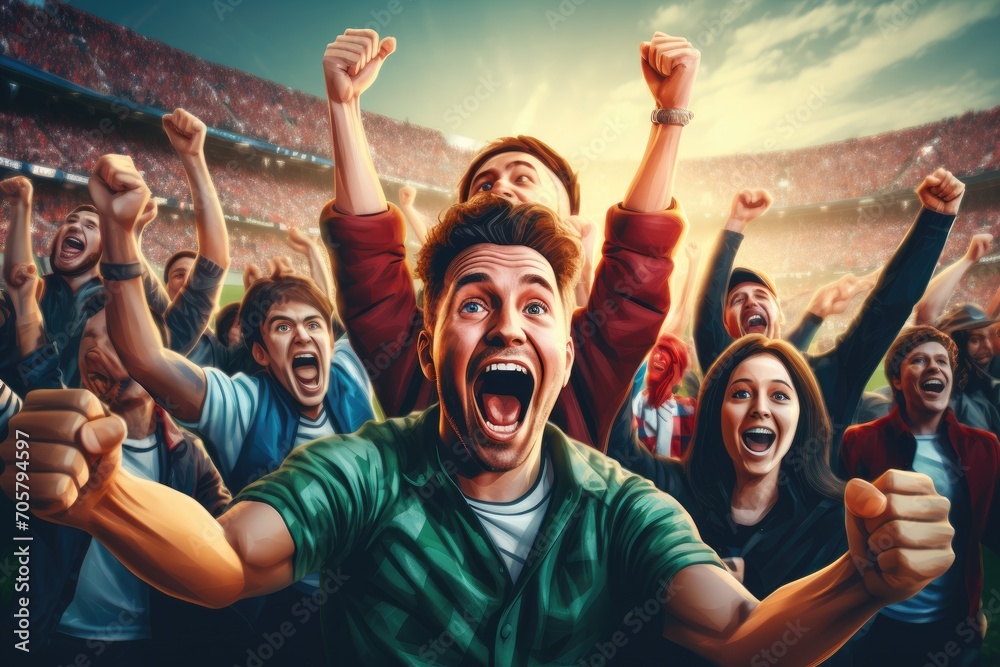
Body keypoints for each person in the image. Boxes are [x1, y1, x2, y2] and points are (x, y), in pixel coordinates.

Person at [1, 193, 958, 666]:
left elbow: (746, 638)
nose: (507, 325)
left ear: (567, 353)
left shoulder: (622, 507)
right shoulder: (367, 468)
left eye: (537, 304)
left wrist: (859, 581)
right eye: (474, 302)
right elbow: (224, 558)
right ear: (430, 339)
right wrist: (107, 498)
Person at [321, 28, 701, 452]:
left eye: (523, 178)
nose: (500, 187)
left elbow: (639, 257)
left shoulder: (588, 357)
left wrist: (670, 117)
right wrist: (344, 108)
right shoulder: (422, 352)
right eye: (484, 185)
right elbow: (368, 266)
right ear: (428, 354)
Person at [695, 173, 965, 454]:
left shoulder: (830, 374)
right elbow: (707, 314)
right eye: (737, 300)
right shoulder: (723, 370)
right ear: (725, 323)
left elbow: (887, 309)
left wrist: (935, 221)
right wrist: (735, 223)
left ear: (780, 315)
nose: (751, 302)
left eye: (761, 296)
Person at [841, 325, 1000, 666]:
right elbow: (838, 532)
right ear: (897, 380)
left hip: (953, 626)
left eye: (942, 361)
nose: (934, 368)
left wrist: (974, 609)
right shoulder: (860, 441)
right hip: (877, 621)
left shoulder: (984, 448)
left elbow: (990, 529)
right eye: (919, 360)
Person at [935, 303, 1000, 435]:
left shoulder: (993, 368)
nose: (988, 346)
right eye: (975, 340)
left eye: (988, 337)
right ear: (956, 345)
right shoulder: (950, 394)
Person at [631, 332, 697, 459]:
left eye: (668, 353)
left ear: (680, 378)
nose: (658, 356)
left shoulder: (689, 414)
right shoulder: (634, 408)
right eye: (657, 350)